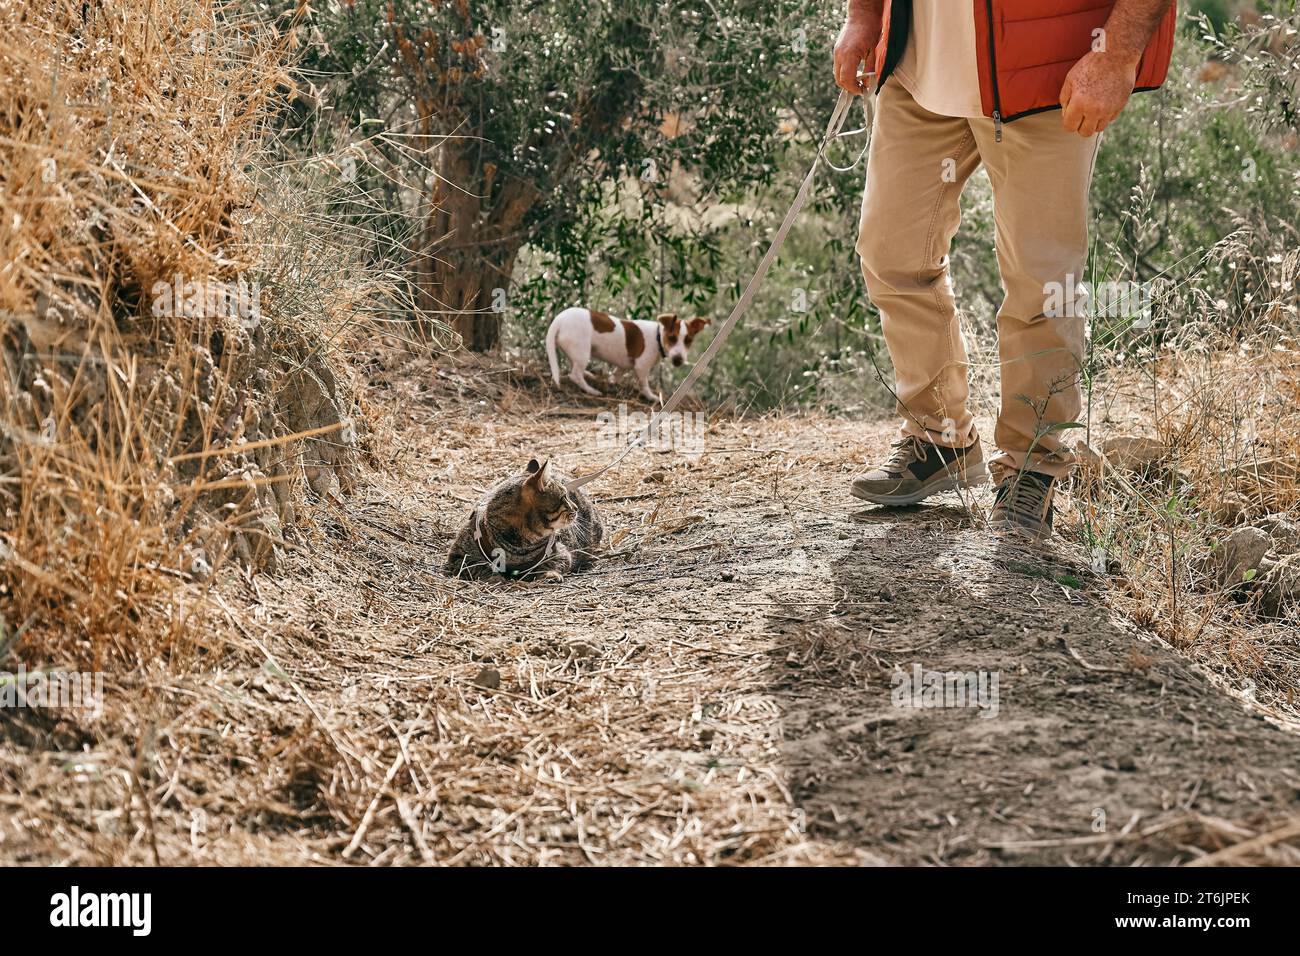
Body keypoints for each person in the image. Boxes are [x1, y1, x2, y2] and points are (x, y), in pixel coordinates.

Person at [834, 0, 1177, 537]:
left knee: (1043, 287)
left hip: (1046, 76)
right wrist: (863, 15)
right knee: (892, 255)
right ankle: (938, 439)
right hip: (917, 71)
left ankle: (1032, 468)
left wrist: (1114, 56)